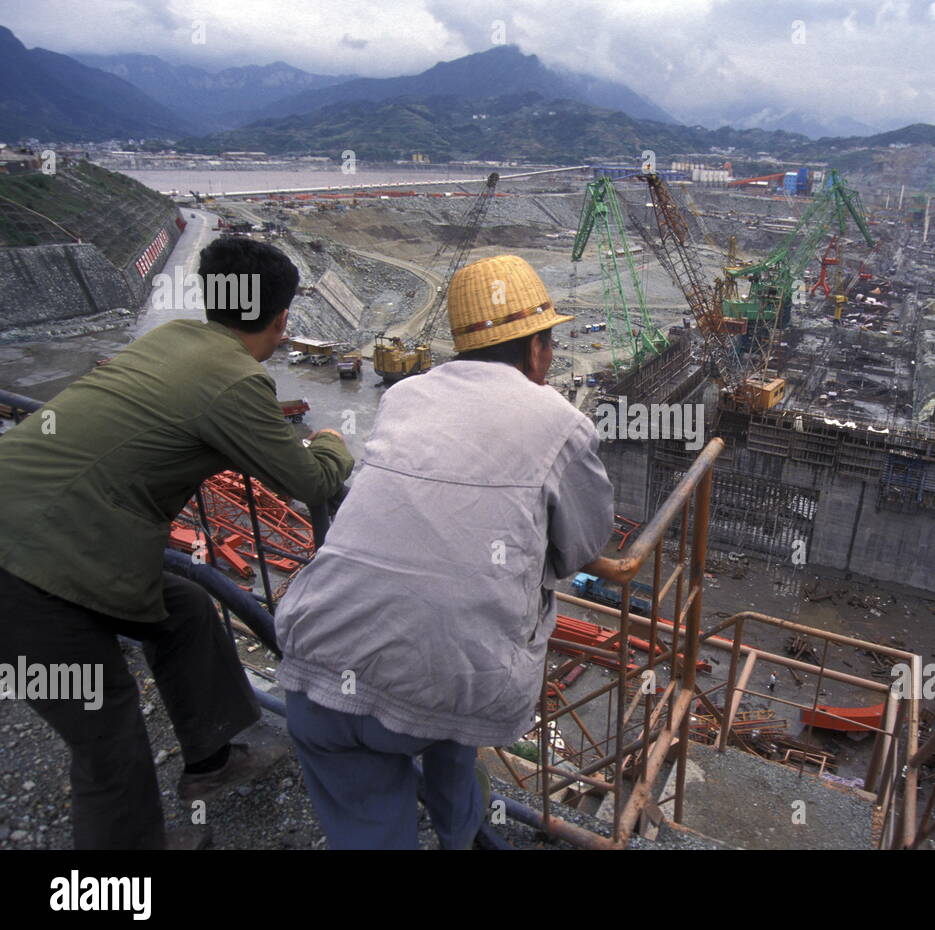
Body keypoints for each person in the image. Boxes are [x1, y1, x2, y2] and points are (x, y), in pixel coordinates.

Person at [0, 236, 355, 849]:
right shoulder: (236, 380)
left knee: (185, 607)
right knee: (105, 727)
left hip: (56, 530)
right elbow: (312, 480)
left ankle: (212, 760)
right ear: (281, 318)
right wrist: (331, 440)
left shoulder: (170, 339)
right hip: (27, 562)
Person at [275, 254, 614, 850]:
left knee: (367, 824)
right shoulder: (561, 422)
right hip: (457, 684)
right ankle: (462, 835)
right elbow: (582, 546)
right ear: (538, 347)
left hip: (317, 664)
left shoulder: (404, 395)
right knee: (454, 715)